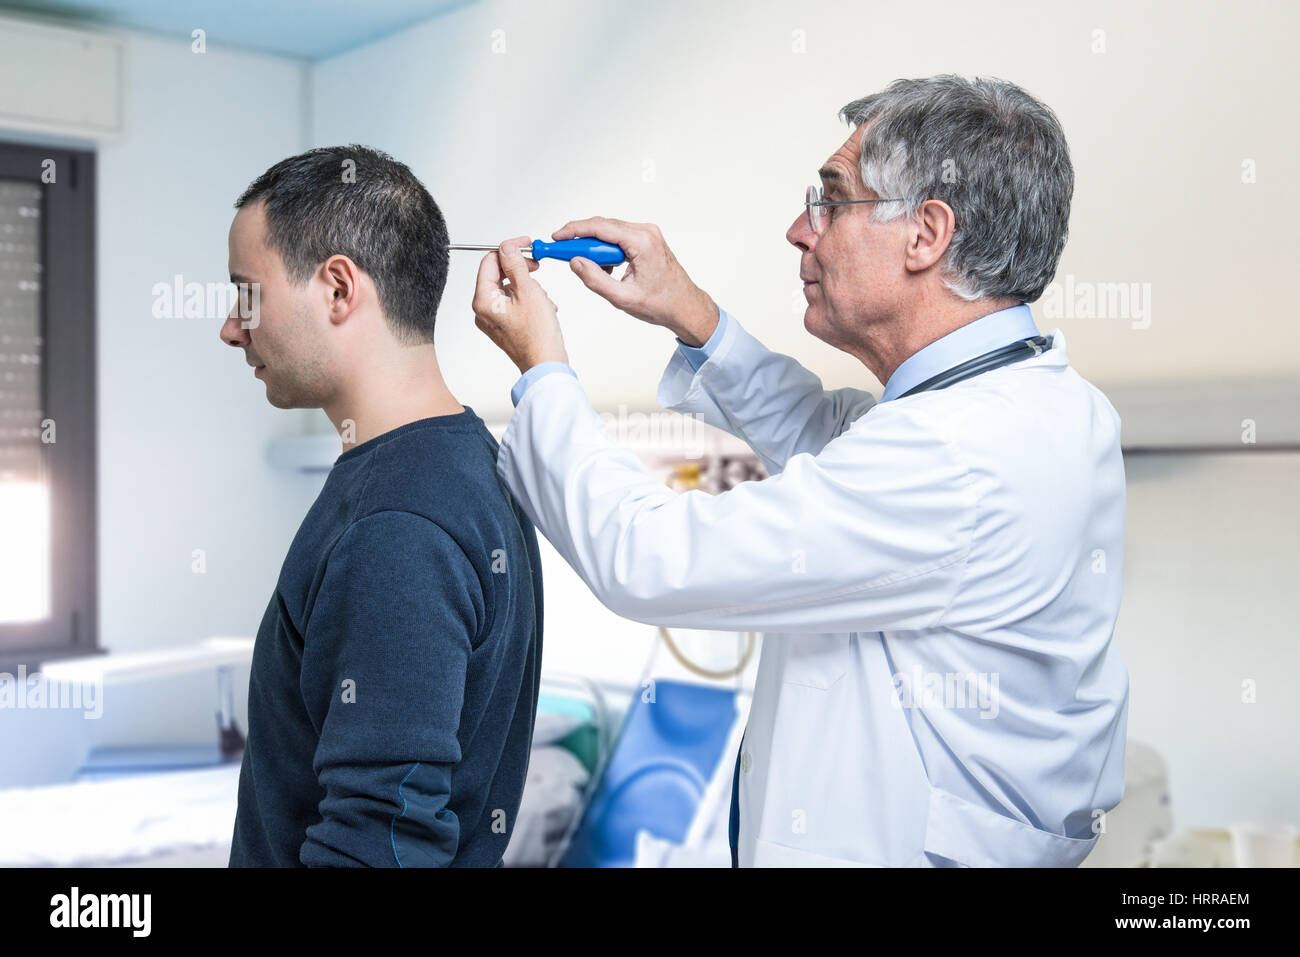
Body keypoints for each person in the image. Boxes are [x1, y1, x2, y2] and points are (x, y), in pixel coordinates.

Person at [471, 76, 1129, 867]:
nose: (798, 230)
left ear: (927, 233)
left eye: (831, 201)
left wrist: (542, 371)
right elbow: (833, 442)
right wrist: (691, 313)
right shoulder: (1028, 401)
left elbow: (645, 558)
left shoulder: (955, 458)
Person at [222, 145, 543, 867]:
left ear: (339, 288)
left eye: (247, 294)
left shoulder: (399, 525)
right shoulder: (462, 462)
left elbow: (379, 842)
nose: (231, 327)